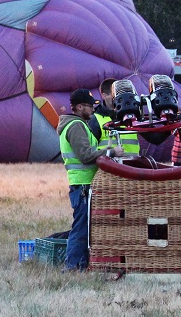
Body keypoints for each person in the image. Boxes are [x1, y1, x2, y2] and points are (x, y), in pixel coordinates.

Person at [57, 89, 123, 271]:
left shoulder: (79, 124)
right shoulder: (76, 126)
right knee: (81, 226)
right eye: (89, 106)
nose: (93, 110)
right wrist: (110, 152)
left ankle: (81, 264)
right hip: (83, 185)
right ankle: (72, 266)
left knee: (85, 226)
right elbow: (85, 155)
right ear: (79, 107)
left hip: (84, 184)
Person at [93, 78, 140, 155]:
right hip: (110, 165)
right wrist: (111, 152)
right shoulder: (95, 118)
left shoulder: (132, 115)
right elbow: (90, 153)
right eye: (114, 95)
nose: (118, 98)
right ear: (104, 96)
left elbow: (155, 139)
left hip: (133, 164)